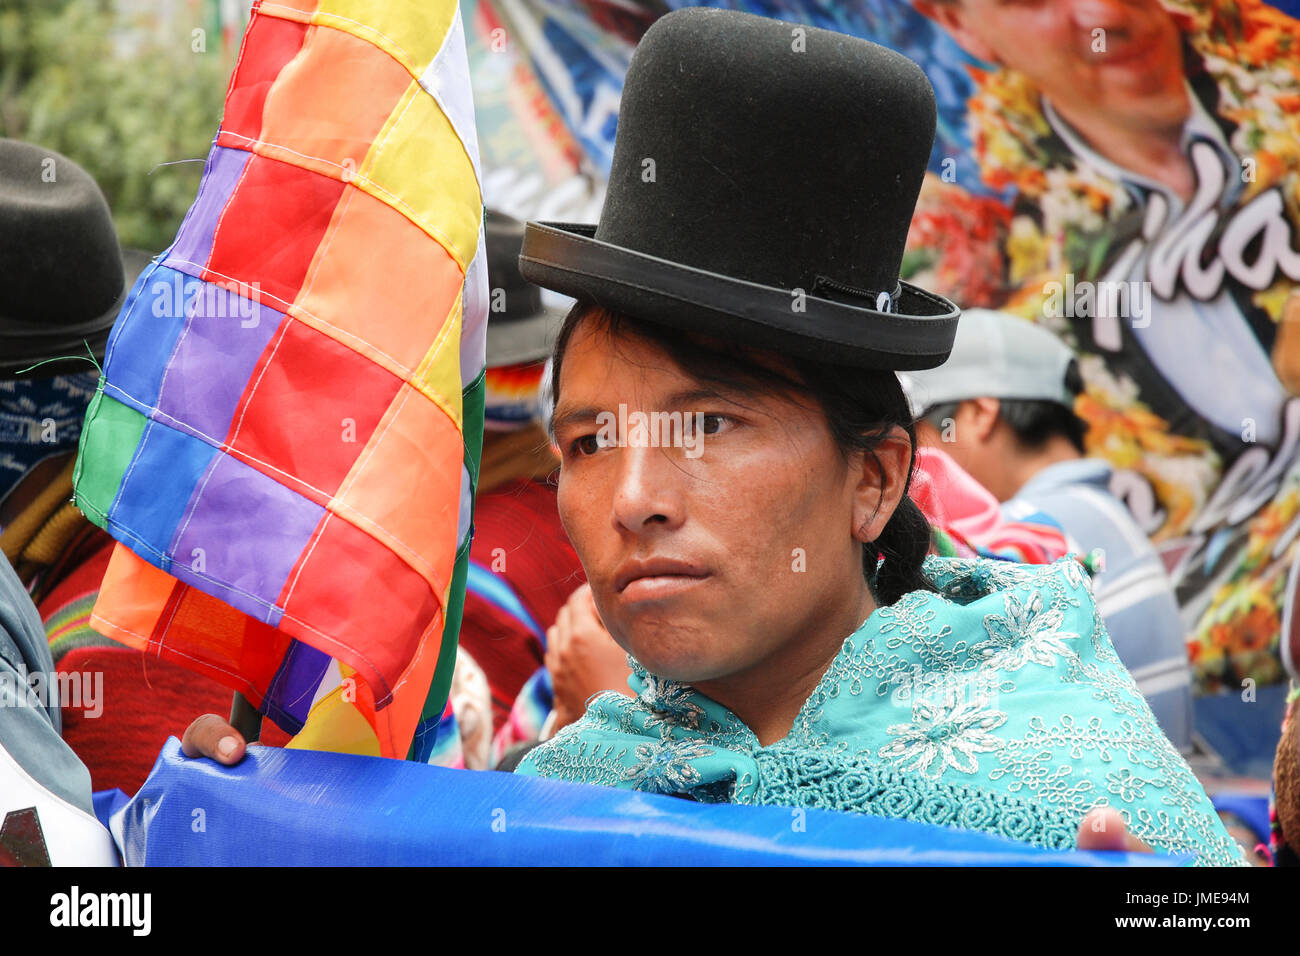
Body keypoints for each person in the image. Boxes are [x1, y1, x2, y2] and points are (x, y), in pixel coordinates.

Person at [185, 7, 1237, 862]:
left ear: (873, 478)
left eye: (708, 423)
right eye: (588, 440)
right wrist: (244, 820)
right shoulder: (573, 789)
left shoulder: (1063, 788)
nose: (633, 495)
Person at [904, 308, 1194, 752]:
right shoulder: (1098, 513)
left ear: (982, 413)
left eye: (919, 431)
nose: (913, 457)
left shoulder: (1034, 533)